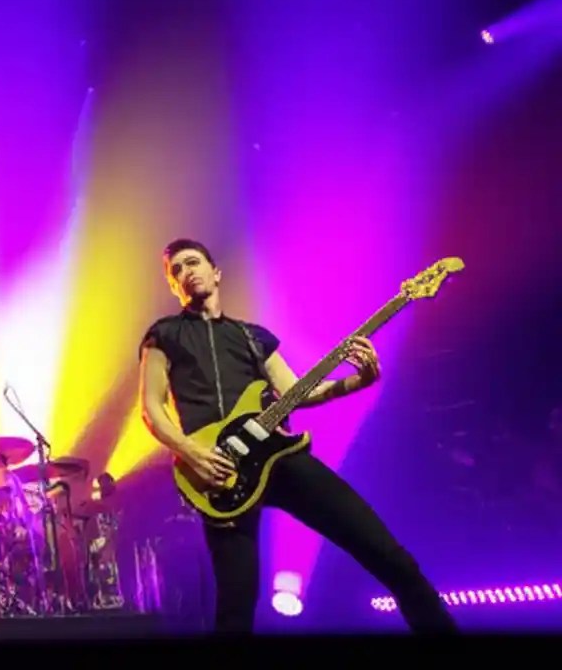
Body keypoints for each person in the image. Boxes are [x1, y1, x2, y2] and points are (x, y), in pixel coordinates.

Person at [138, 238, 457, 634]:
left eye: (193, 263)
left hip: (278, 457)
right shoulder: (164, 335)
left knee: (388, 556)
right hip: (218, 474)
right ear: (174, 286)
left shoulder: (254, 337)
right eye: (177, 271)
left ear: (215, 273)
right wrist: (191, 452)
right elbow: (151, 408)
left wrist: (358, 381)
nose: (187, 272)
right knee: (236, 608)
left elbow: (300, 393)